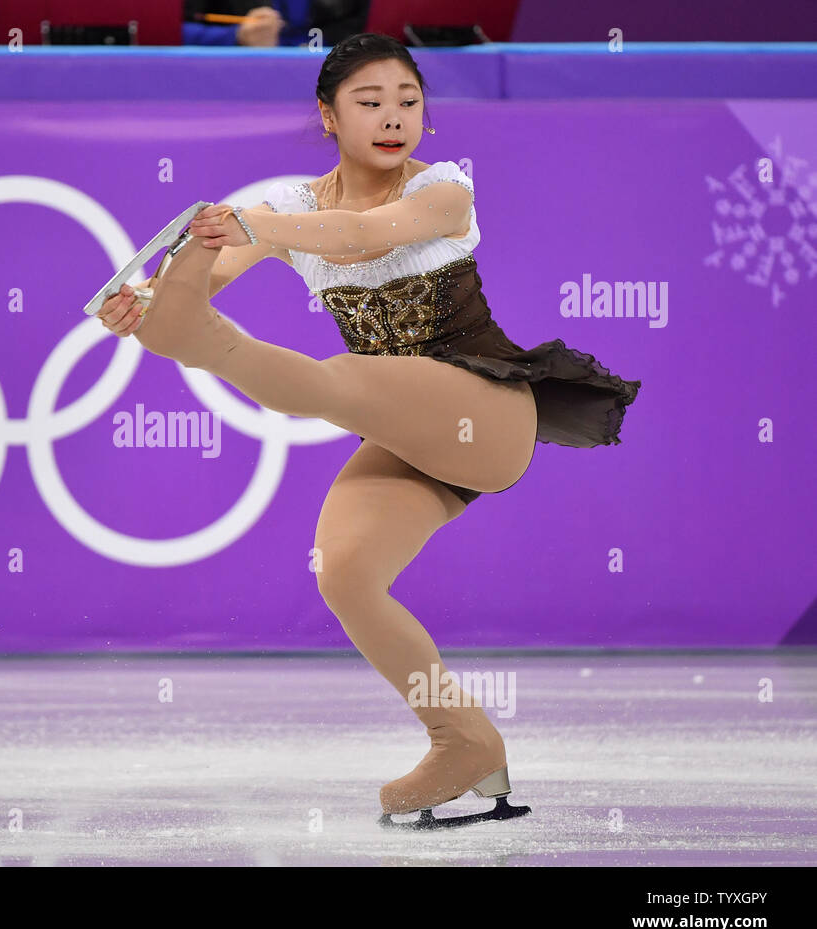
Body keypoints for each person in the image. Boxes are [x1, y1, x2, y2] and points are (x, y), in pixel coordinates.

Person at [95, 32, 641, 828]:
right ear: (328, 116)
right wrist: (145, 307)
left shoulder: (445, 189)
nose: (394, 118)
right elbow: (204, 278)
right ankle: (463, 739)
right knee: (343, 572)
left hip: (484, 408)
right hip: (404, 432)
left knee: (336, 382)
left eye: (409, 102)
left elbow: (368, 236)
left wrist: (252, 235)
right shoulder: (289, 203)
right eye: (371, 102)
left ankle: (208, 351)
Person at [181, 1, 369, 48]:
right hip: (241, 78)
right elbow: (162, 32)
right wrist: (237, 36)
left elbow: (378, 28)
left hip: (335, 74)